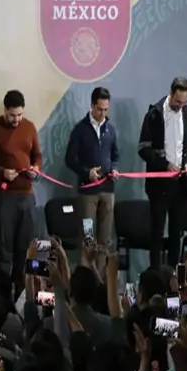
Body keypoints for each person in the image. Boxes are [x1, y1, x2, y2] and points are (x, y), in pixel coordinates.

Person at [137, 75, 187, 267]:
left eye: (185, 102)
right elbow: (143, 148)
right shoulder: (154, 114)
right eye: (178, 102)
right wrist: (164, 164)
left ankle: (174, 276)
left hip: (181, 185)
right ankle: (155, 275)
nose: (181, 106)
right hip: (159, 186)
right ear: (171, 94)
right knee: (157, 233)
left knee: (176, 233)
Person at [0, 89, 41, 263]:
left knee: (26, 246)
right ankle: (4, 286)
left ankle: (23, 286)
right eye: (13, 115)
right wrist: (2, 172)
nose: (17, 120)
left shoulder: (29, 127)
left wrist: (35, 168)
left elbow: (38, 155)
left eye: (20, 115)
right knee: (4, 247)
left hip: (27, 195)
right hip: (4, 196)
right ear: (5, 110)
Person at [65, 86, 121, 252]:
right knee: (88, 238)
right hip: (87, 195)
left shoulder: (110, 129)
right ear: (92, 105)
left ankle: (102, 277)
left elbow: (116, 156)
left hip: (107, 192)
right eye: (99, 109)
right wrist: (86, 173)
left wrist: (115, 169)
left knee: (105, 240)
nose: (103, 114)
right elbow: (69, 159)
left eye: (106, 109)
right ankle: (87, 276)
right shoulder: (80, 130)